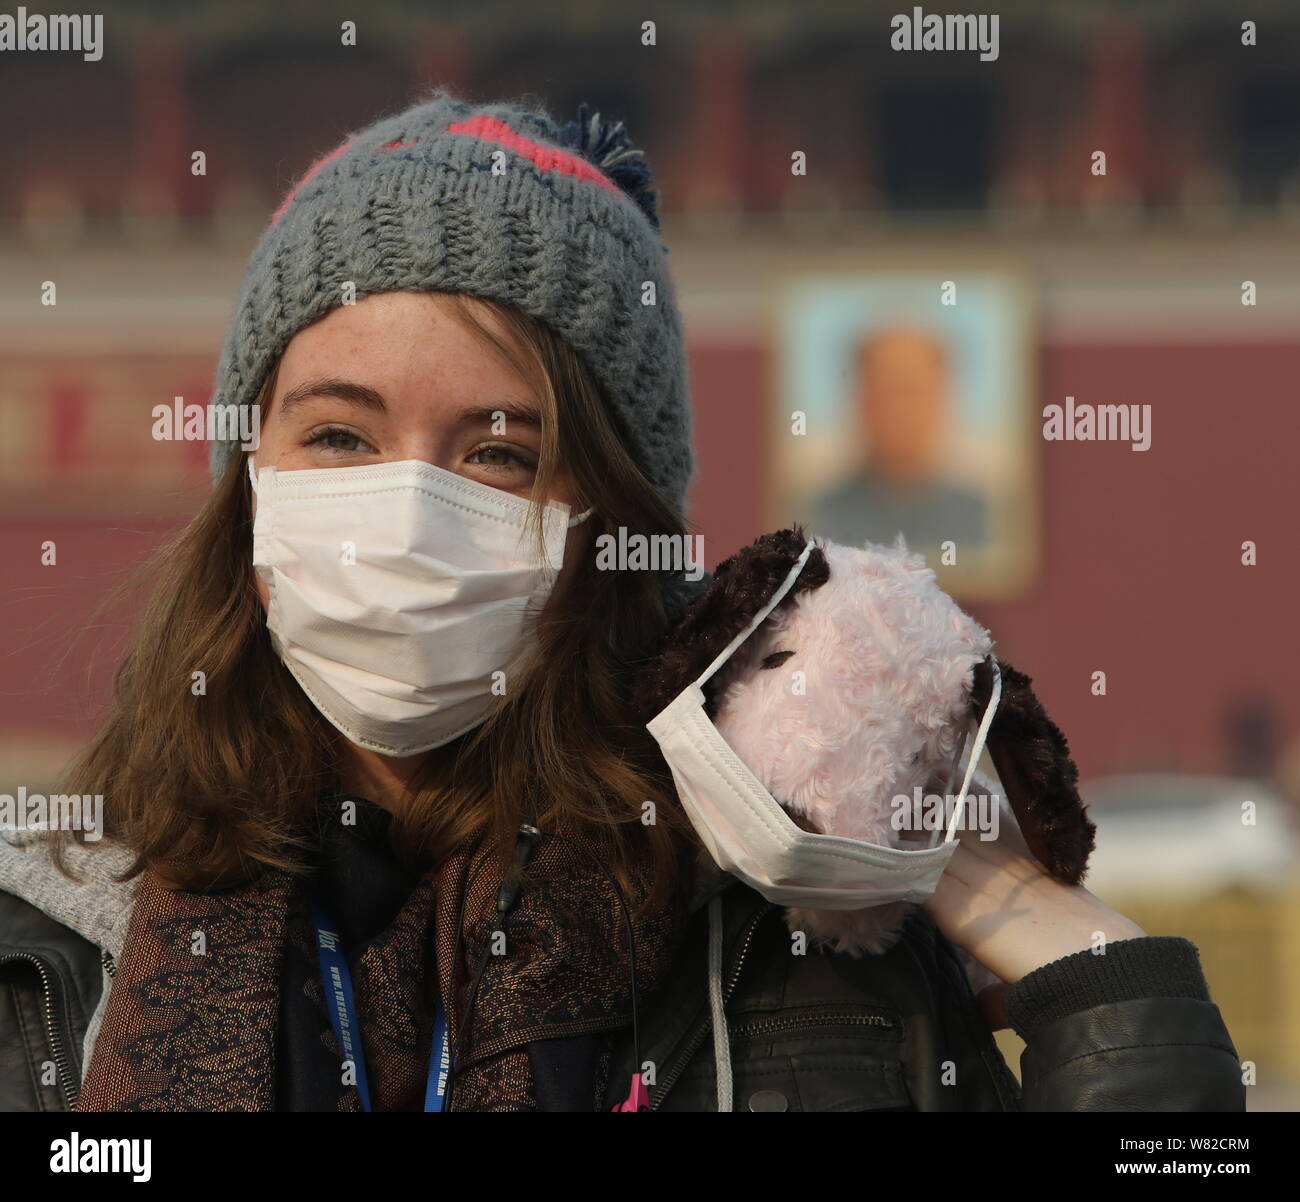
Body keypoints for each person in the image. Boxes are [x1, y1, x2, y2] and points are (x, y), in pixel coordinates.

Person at [0, 90, 1243, 1113]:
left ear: (614, 527)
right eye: (338, 434)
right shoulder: (39, 956)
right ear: (250, 482)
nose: (406, 507)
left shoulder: (797, 954)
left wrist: (1062, 947)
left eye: (498, 452)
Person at [812, 326, 989, 550]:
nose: (901, 410)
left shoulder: (983, 519)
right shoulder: (817, 518)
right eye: (887, 391)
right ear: (861, 401)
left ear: (940, 401)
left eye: (913, 391)